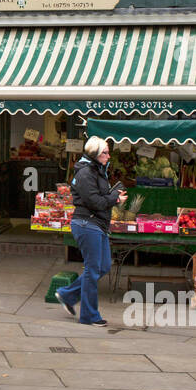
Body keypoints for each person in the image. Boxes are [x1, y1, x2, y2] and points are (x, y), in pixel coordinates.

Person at [55, 137, 126, 326]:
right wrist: (115, 198)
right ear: (95, 153)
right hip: (87, 224)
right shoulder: (86, 172)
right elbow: (95, 202)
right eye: (105, 152)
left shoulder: (97, 170)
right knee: (93, 269)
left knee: (103, 266)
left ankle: (67, 294)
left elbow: (101, 198)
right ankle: (89, 316)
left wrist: (112, 197)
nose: (108, 156)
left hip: (97, 224)